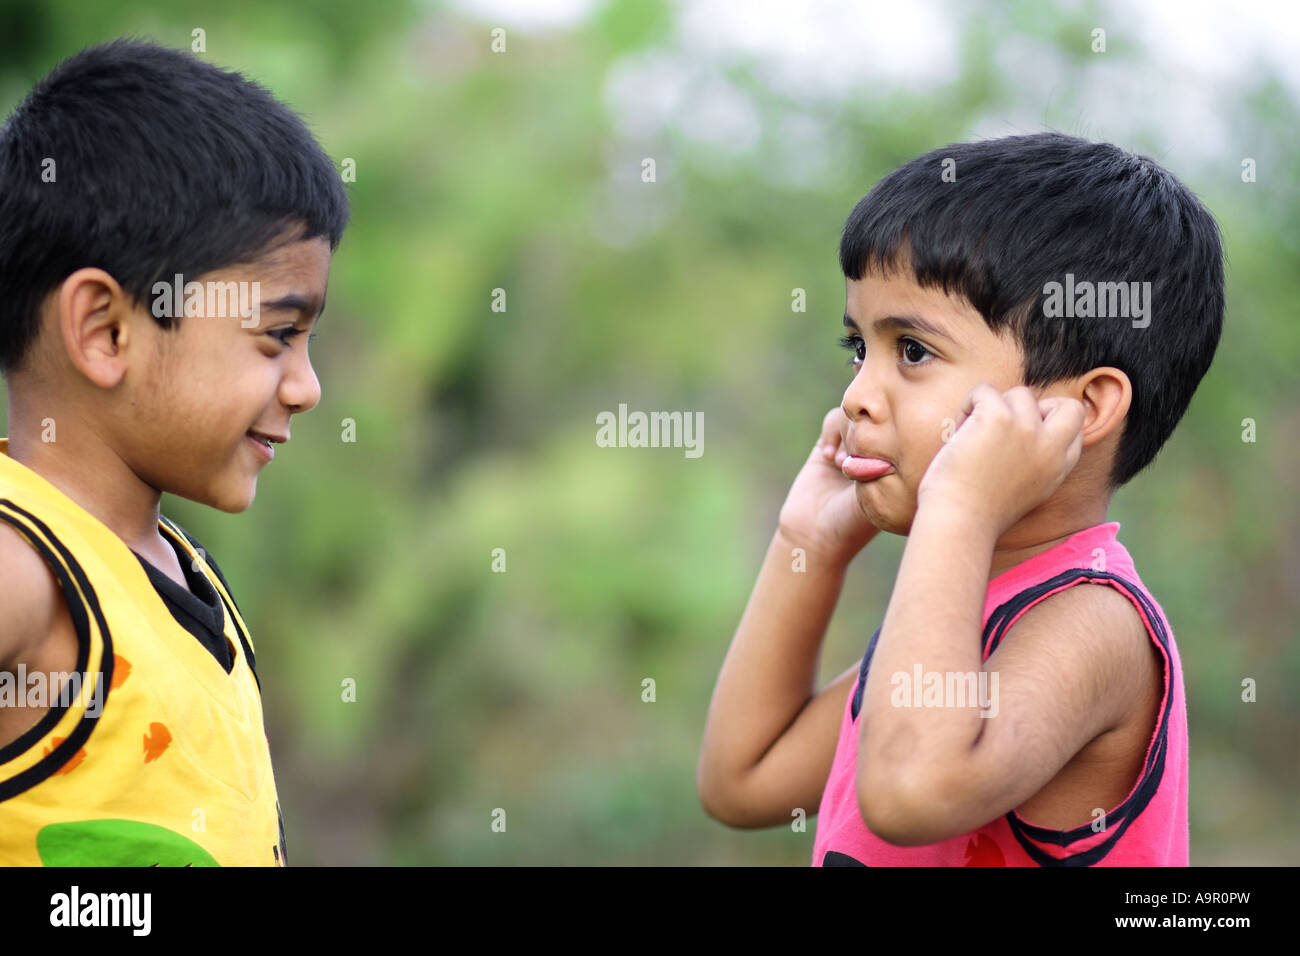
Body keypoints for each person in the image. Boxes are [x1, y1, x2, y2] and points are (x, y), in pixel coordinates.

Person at [698, 132, 1223, 865]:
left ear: (1083, 408)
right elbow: (743, 780)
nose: (854, 397)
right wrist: (807, 547)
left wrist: (959, 508)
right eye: (858, 349)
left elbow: (911, 790)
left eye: (912, 350)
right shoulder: (955, 618)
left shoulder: (1096, 622)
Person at [0, 38, 349, 865]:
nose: (308, 386)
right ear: (106, 330)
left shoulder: (181, 574)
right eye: (278, 336)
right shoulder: (22, 568)